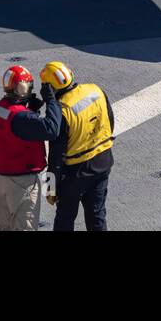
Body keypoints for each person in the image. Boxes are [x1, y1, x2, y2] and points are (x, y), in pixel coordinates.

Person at [40, 61, 115, 232]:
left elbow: (56, 156)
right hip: (103, 162)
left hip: (75, 173)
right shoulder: (95, 89)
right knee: (97, 215)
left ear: (49, 89)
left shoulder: (62, 110)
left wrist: (50, 187)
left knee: (65, 219)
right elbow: (110, 122)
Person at [0, 64, 61, 231]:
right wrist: (51, 102)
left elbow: (14, 130)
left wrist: (31, 110)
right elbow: (51, 130)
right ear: (22, 87)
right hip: (23, 183)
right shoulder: (20, 117)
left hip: (4, 180)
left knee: (5, 227)